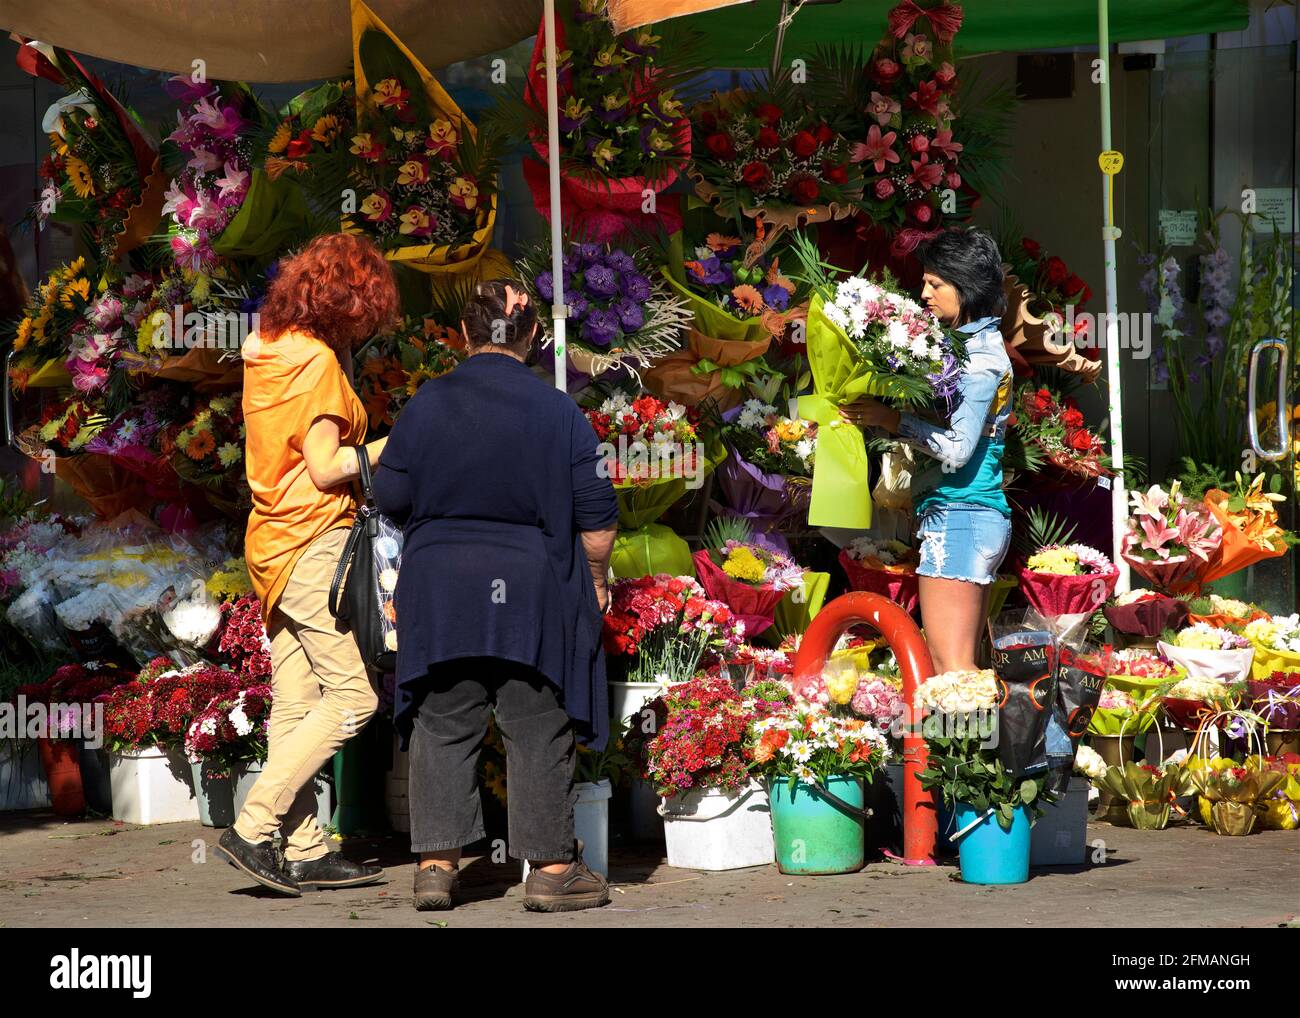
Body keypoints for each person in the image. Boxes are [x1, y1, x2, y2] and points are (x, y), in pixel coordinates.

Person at [373, 279, 619, 914]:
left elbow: (391, 498)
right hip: (531, 591)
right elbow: (597, 515)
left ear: (463, 336)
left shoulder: (425, 404)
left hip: (441, 588)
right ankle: (553, 871)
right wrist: (595, 580)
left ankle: (436, 868)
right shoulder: (559, 410)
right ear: (534, 337)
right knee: (536, 724)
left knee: (442, 723)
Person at [215, 233, 399, 896]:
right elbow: (326, 469)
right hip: (315, 540)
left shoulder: (265, 351)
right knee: (354, 698)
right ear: (347, 303)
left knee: (296, 702)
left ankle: (305, 848)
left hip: (270, 542)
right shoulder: (318, 363)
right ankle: (252, 827)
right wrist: (394, 446)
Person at [840, 228, 1012, 676]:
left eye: (936, 284)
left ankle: (973, 745)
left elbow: (957, 449)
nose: (924, 293)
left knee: (950, 667)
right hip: (961, 514)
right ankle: (970, 747)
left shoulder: (980, 360)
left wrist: (890, 420)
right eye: (925, 282)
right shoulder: (969, 346)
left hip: (963, 513)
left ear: (967, 286)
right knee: (956, 666)